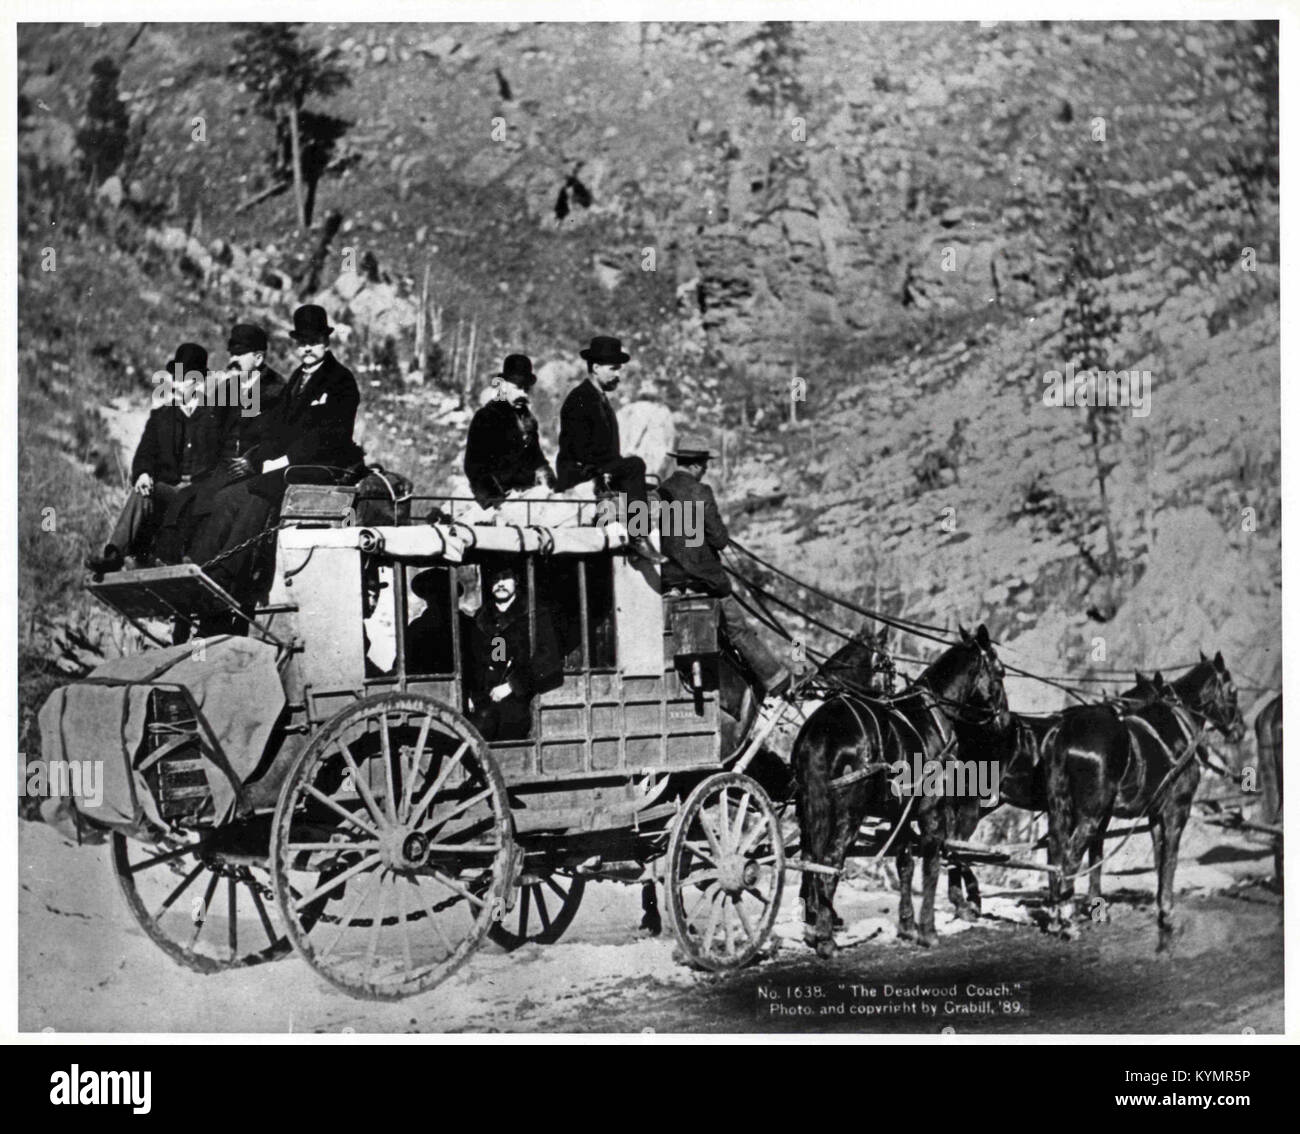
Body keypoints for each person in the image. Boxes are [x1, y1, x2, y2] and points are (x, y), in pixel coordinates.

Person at [188, 305, 366, 603]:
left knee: (259, 492)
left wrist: (284, 460)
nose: (307, 348)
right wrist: (254, 459)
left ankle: (227, 576)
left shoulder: (340, 381)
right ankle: (198, 568)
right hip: (289, 465)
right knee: (227, 495)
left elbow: (329, 437)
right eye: (302, 342)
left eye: (313, 341)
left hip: (322, 467)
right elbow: (275, 428)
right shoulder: (297, 379)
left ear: (326, 341)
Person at [658, 445, 792, 699]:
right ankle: (776, 679)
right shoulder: (700, 491)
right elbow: (719, 539)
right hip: (704, 578)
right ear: (696, 465)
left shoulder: (661, 491)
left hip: (670, 577)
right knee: (737, 627)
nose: (706, 470)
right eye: (705, 465)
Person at [88, 343, 228, 573]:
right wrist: (143, 473)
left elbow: (224, 457)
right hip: (170, 488)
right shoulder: (161, 417)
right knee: (141, 492)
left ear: (200, 382)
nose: (177, 383)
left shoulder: (215, 416)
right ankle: (114, 555)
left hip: (201, 493)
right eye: (176, 377)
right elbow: (145, 453)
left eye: (185, 378)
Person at [556, 335, 664, 564]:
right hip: (580, 471)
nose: (618, 374)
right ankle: (638, 536)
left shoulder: (597, 399)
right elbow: (578, 449)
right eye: (613, 368)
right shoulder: (581, 399)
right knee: (635, 465)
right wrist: (607, 470)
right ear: (596, 367)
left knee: (652, 487)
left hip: (595, 467)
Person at [466, 559, 562, 741]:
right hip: (484, 698)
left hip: (521, 697)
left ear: (516, 580)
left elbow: (548, 657)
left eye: (506, 578)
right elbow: (473, 659)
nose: (500, 583)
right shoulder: (481, 617)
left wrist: (512, 685)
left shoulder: (535, 614)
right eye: (495, 579)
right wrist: (470, 694)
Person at [464, 354, 555, 506]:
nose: (524, 394)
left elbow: (536, 458)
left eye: (527, 389)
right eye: (518, 388)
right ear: (503, 386)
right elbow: (474, 467)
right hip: (498, 500)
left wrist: (551, 484)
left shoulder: (527, 419)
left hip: (527, 498)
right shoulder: (486, 417)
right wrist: (497, 502)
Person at [616, 371, 676, 481]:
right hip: (653, 473)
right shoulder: (663, 412)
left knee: (625, 496)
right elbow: (669, 447)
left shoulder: (625, 411)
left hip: (630, 471)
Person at [405, 567, 456, 676]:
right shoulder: (416, 628)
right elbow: (405, 665)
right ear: (426, 596)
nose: (438, 598)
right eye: (432, 592)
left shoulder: (466, 625)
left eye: (443, 592)